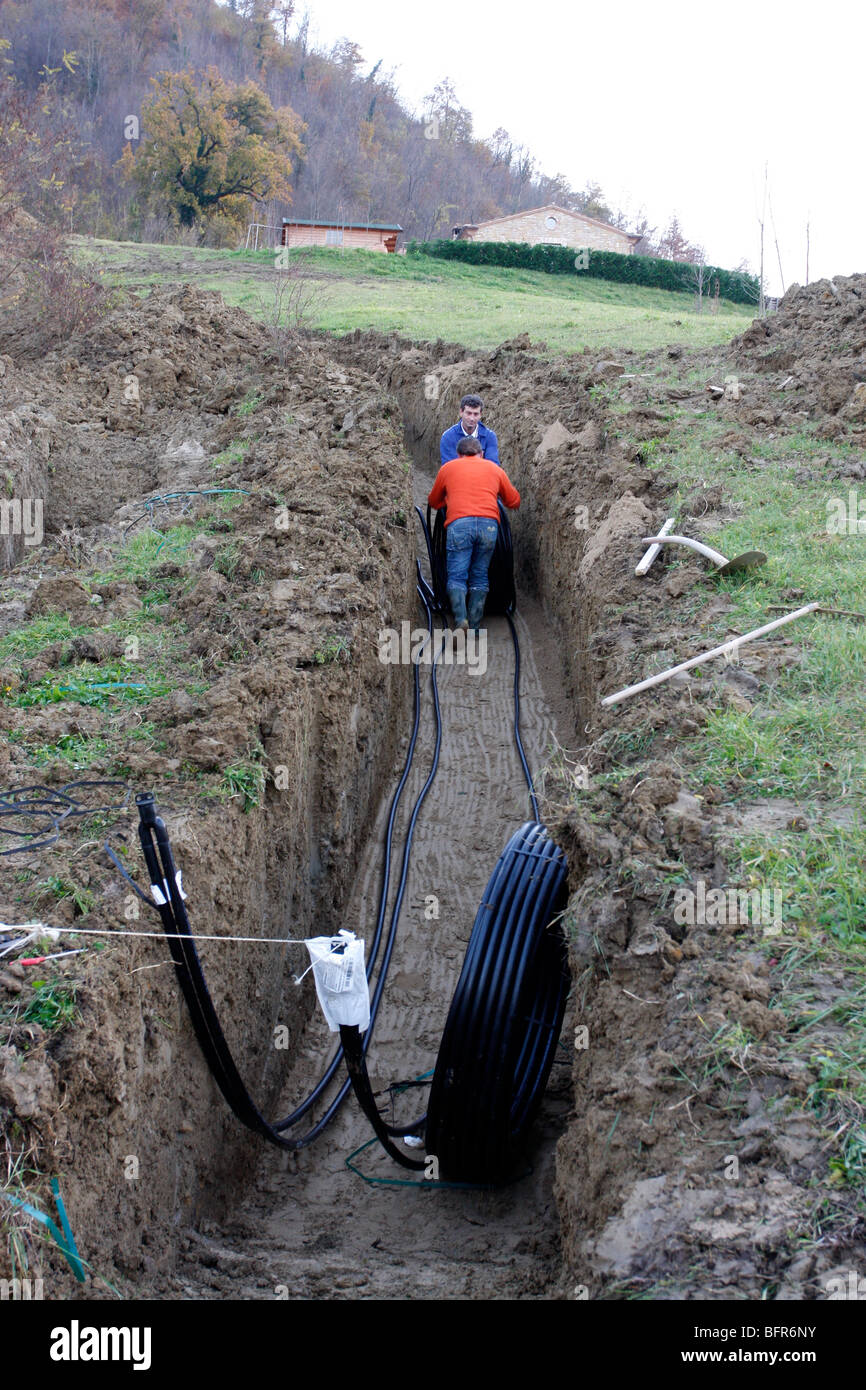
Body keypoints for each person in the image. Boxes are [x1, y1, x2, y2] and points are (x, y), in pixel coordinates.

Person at [427, 436, 520, 633]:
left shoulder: (448, 468)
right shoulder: (495, 469)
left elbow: (434, 501)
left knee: (457, 575)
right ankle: (475, 625)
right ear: (482, 453)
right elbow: (514, 501)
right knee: (479, 575)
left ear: (458, 454)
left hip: (459, 524)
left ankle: (461, 621)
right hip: (489, 526)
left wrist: (452, 500)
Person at [439, 394, 500, 467]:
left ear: (480, 415)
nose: (472, 418)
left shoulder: (489, 436)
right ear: (461, 412)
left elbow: (493, 466)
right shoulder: (448, 437)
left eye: (475, 414)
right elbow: (449, 468)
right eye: (469, 413)